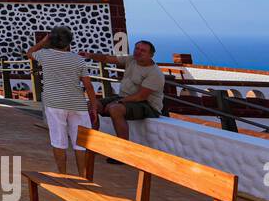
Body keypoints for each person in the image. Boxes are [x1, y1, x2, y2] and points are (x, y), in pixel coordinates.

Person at [27, 27, 99, 175]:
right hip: (77, 104)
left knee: (59, 141)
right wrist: (94, 106)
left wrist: (43, 41)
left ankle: (63, 175)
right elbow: (88, 86)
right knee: (81, 143)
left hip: (55, 104)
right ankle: (83, 177)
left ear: (51, 40)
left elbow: (29, 53)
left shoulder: (45, 55)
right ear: (69, 42)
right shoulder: (78, 60)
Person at [80, 40, 165, 154]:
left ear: (151, 55)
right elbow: (107, 59)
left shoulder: (155, 73)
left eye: (143, 51)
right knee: (93, 105)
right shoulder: (131, 59)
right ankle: (91, 144)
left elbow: (141, 96)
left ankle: (122, 151)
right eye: (137, 48)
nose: (138, 52)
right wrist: (90, 55)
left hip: (148, 105)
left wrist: (118, 102)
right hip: (125, 98)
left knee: (115, 109)